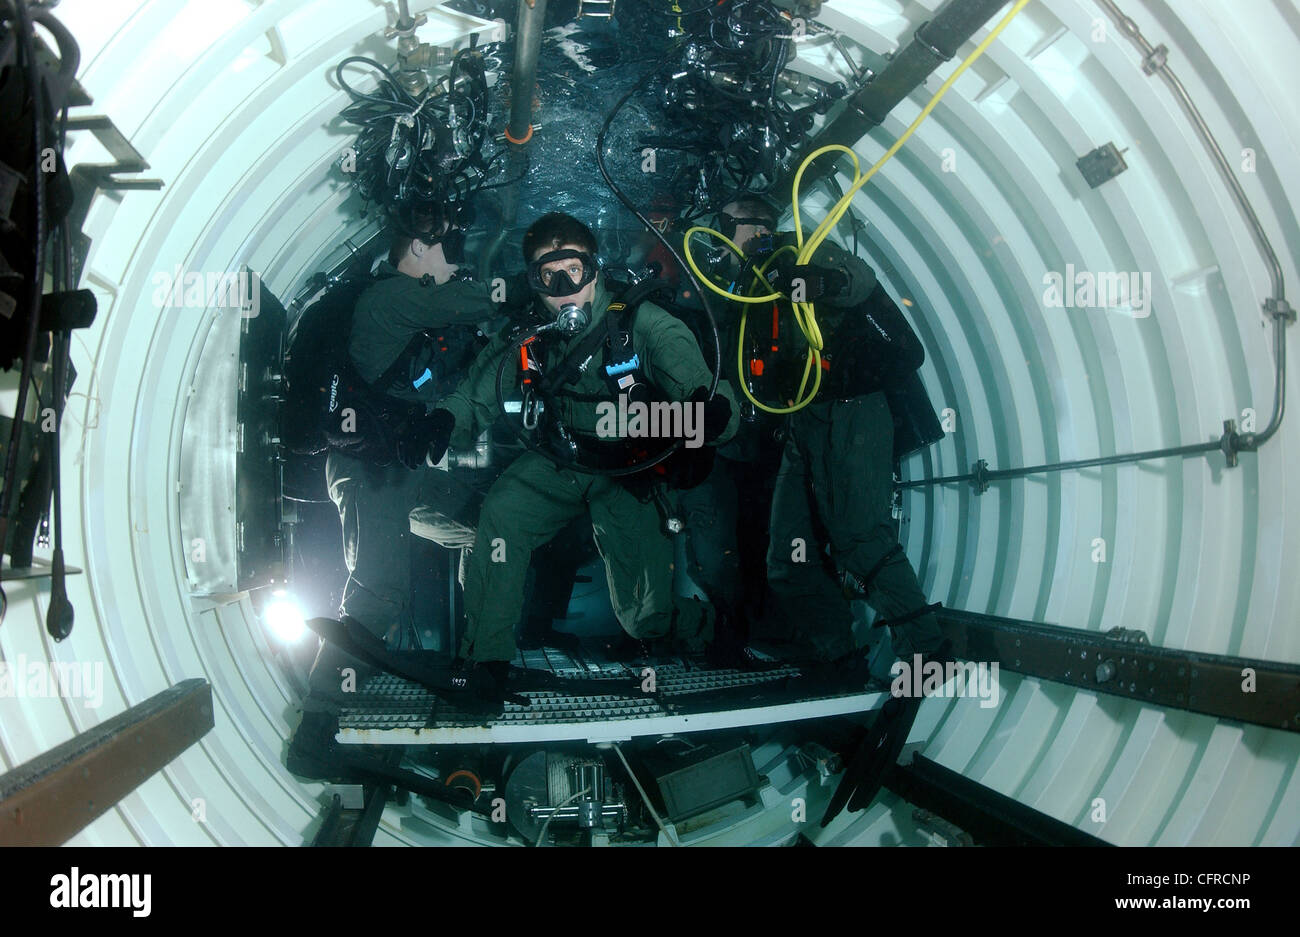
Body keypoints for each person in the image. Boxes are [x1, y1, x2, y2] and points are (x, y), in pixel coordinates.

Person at [424, 212, 743, 700]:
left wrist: (712, 414)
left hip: (628, 465)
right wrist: (444, 419)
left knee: (645, 617)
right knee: (504, 512)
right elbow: (477, 395)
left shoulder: (642, 322)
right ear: (531, 283)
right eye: (545, 276)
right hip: (565, 459)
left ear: (594, 269)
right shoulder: (529, 333)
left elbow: (706, 391)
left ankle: (709, 625)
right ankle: (485, 659)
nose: (561, 287)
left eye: (572, 271)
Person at [726, 200, 948, 678]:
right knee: (788, 558)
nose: (721, 238)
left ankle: (927, 651)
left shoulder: (799, 252)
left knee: (860, 538)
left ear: (755, 226)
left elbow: (860, 281)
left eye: (727, 227)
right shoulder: (749, 283)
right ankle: (839, 657)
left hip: (852, 411)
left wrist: (820, 282)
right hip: (802, 423)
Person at [321, 213, 492, 664]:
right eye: (451, 250)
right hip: (366, 468)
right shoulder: (392, 296)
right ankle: (322, 716)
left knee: (485, 523)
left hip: (401, 467)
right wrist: (542, 288)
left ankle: (480, 652)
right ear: (418, 246)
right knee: (379, 592)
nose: (458, 265)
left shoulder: (415, 315)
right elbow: (472, 301)